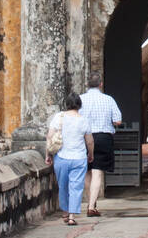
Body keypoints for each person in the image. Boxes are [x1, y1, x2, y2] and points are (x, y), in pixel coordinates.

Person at [46, 92, 93, 226]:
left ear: (67, 104)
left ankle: (66, 211)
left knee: (63, 186)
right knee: (76, 187)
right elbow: (89, 141)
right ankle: (72, 216)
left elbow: (50, 137)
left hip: (61, 157)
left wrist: (47, 155)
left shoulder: (58, 117)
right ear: (79, 105)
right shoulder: (83, 120)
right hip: (79, 157)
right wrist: (91, 154)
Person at [80, 73, 121, 217]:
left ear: (87, 84)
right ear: (101, 84)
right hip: (103, 137)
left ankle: (91, 202)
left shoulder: (81, 99)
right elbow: (117, 120)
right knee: (98, 172)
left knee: (87, 171)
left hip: (85, 137)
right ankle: (92, 206)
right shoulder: (108, 99)